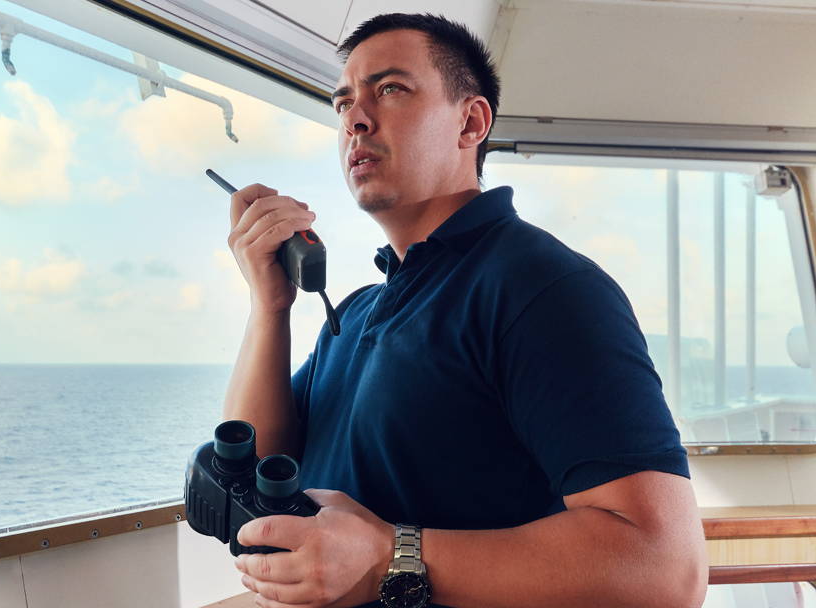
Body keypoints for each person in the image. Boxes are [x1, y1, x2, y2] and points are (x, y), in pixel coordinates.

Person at [222, 13, 708, 608]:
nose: (355, 118)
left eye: (390, 89)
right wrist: (269, 307)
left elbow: (665, 567)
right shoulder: (353, 315)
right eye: (343, 102)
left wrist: (389, 557)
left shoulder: (543, 288)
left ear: (471, 122)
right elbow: (257, 471)